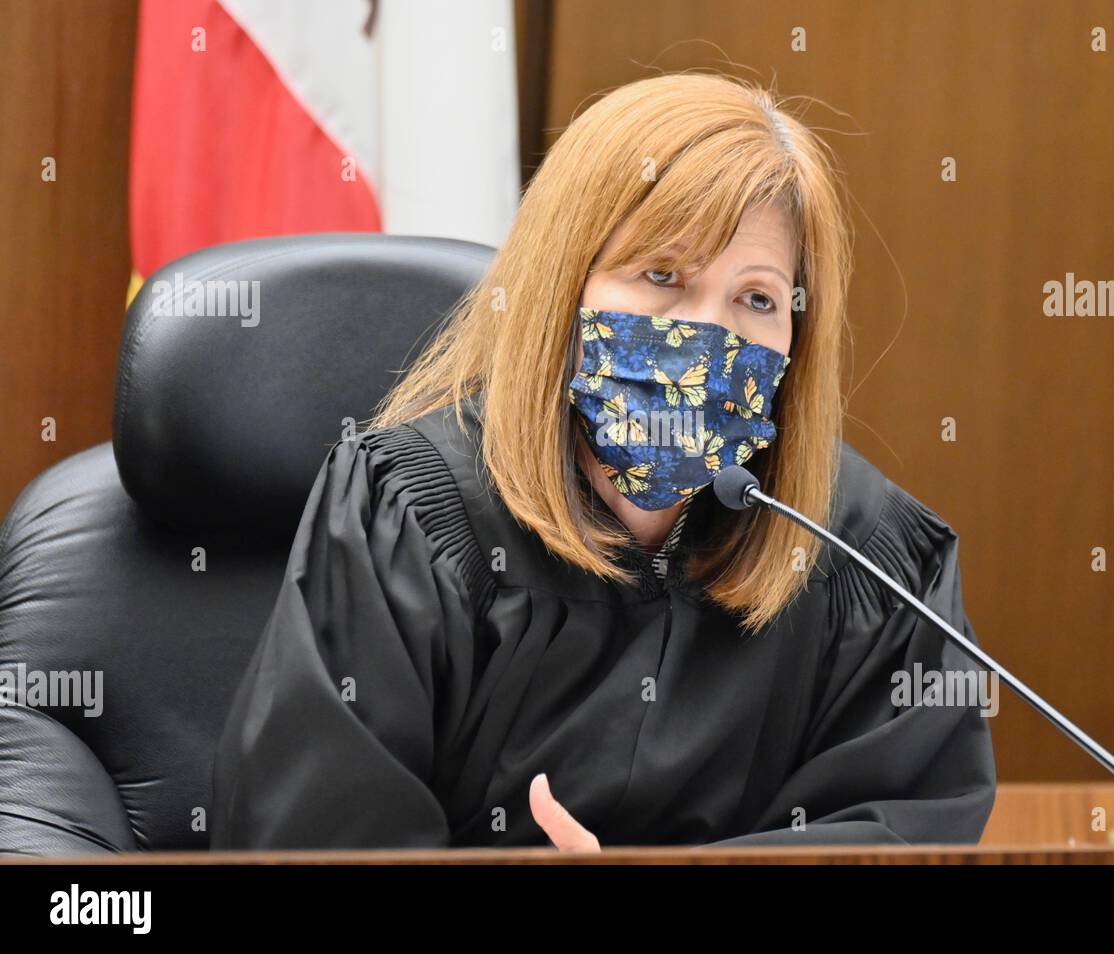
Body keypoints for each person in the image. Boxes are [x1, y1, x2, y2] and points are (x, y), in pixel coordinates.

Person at [209, 72, 996, 851]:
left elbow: (904, 832)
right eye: (662, 275)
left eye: (756, 298)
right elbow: (316, 836)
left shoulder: (872, 560)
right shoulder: (408, 514)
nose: (706, 333)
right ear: (562, 288)